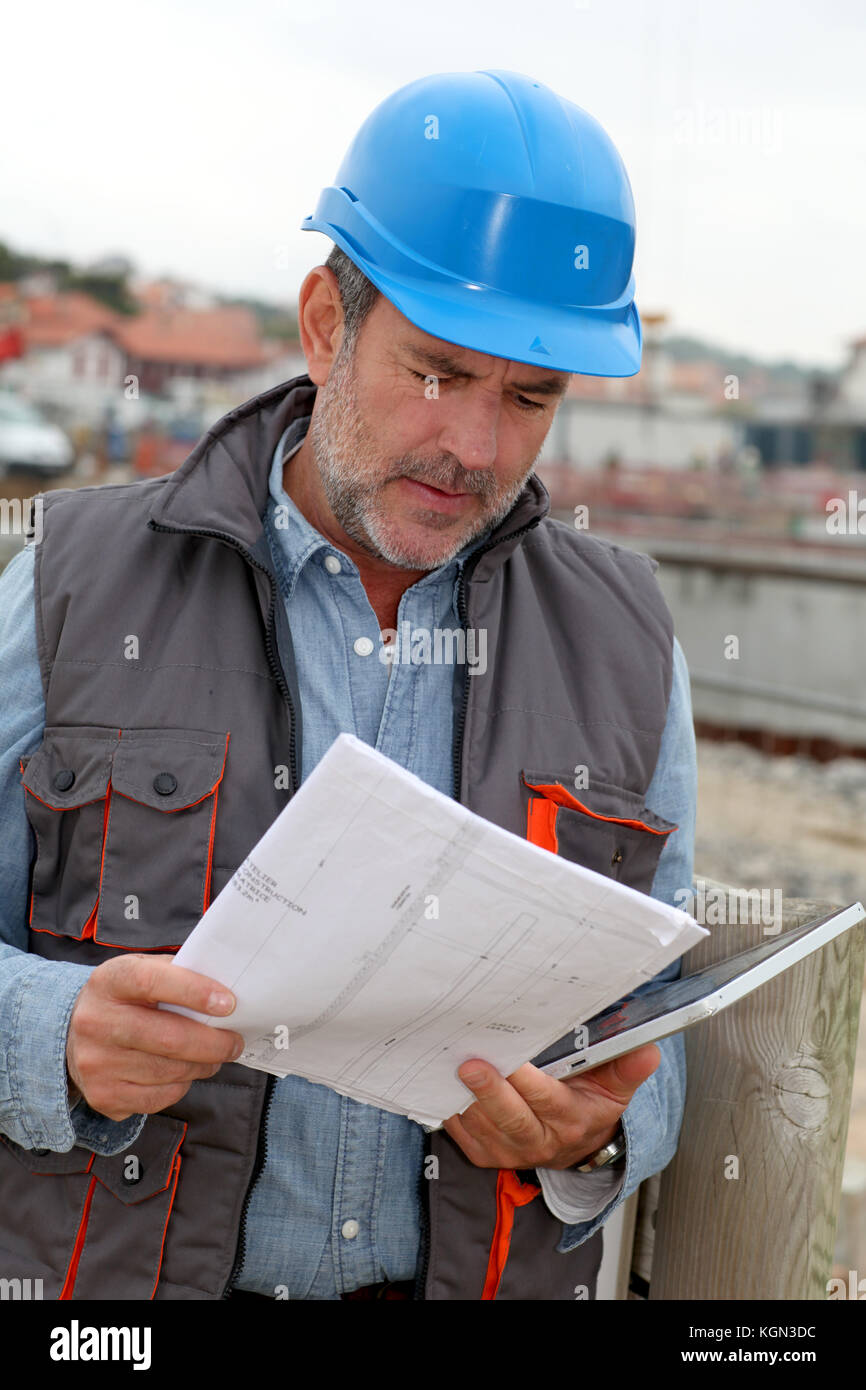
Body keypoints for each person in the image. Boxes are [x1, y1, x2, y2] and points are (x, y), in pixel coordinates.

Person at [0, 69, 696, 1300]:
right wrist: (49, 1038)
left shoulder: (631, 640)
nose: (474, 447)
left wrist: (593, 1131)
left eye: (529, 397)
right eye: (434, 374)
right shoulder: (67, 584)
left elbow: (663, 1018)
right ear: (326, 321)